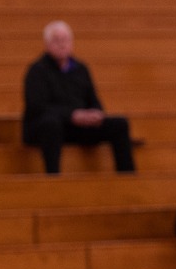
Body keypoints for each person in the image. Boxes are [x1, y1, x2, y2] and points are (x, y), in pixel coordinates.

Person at [21, 22, 134, 175]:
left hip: (77, 128)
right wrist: (71, 115)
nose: (62, 45)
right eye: (56, 40)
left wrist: (95, 113)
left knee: (120, 124)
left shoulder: (81, 69)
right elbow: (38, 107)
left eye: (65, 40)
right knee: (51, 124)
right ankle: (52, 179)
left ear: (71, 43)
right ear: (47, 44)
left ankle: (128, 177)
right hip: (49, 129)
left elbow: (93, 99)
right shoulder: (37, 71)